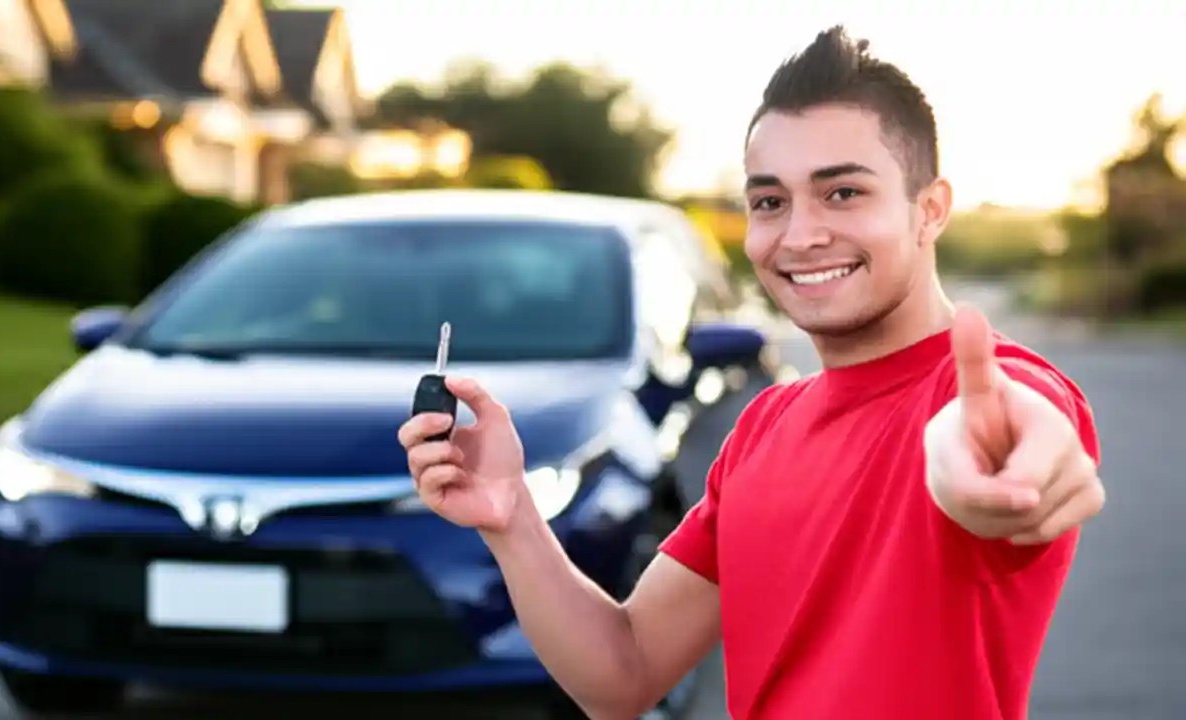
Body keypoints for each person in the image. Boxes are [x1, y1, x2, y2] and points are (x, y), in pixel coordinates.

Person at [397, 25, 1105, 720]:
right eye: (770, 202)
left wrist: (996, 469)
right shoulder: (764, 427)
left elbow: (1020, 434)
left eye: (843, 193)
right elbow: (623, 675)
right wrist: (513, 517)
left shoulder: (991, 399)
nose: (800, 235)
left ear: (930, 210)